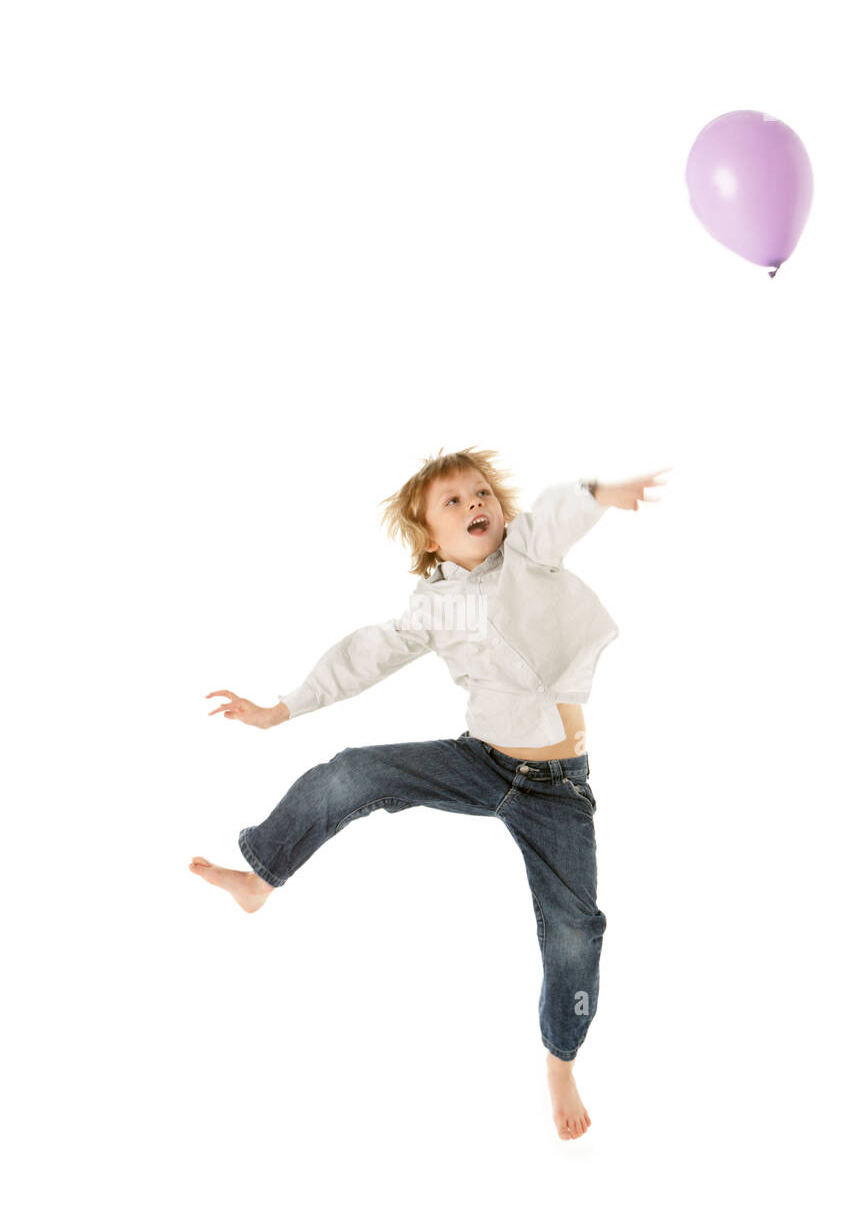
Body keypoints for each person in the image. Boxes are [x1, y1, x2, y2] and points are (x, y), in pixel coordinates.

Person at [190, 447, 670, 1140]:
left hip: (557, 789)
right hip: (482, 761)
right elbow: (364, 656)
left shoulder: (528, 552)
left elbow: (561, 513)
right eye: (454, 502)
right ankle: (262, 873)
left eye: (482, 494)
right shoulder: (434, 608)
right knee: (355, 770)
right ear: (429, 538)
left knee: (574, 928)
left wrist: (601, 492)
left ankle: (560, 1059)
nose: (476, 504)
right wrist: (281, 708)